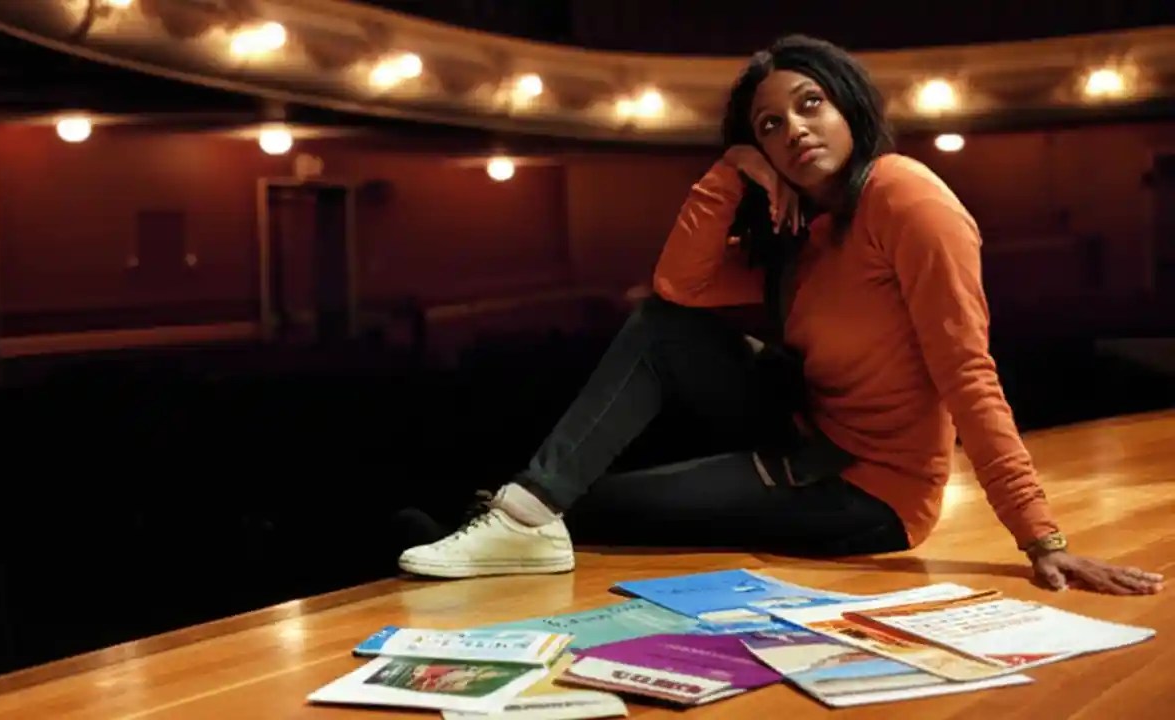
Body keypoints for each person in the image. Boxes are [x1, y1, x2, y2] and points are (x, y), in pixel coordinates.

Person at [397, 34, 1164, 596]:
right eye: (769, 125)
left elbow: (968, 374)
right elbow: (678, 289)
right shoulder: (806, 236)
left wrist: (1041, 537)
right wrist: (731, 173)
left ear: (849, 109)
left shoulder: (909, 198)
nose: (794, 129)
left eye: (809, 105)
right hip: (797, 434)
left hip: (871, 497)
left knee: (590, 505)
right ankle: (517, 515)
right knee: (660, 333)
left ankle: (508, 518)